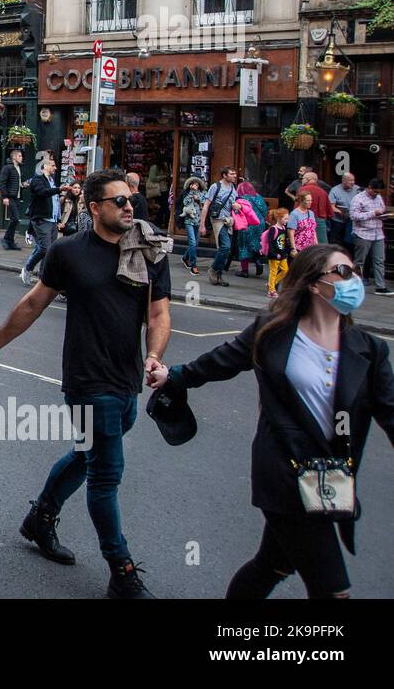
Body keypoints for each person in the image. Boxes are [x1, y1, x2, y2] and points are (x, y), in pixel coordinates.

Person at [148, 244, 394, 598]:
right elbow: (223, 361)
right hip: (284, 472)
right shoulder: (274, 331)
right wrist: (173, 375)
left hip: (330, 477)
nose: (353, 279)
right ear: (313, 283)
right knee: (333, 591)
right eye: (342, 272)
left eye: (355, 272)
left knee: (272, 564)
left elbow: (389, 411)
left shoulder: (369, 349)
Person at [0, 168, 172, 598]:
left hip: (127, 380)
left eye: (131, 199)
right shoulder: (68, 252)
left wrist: (155, 357)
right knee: (106, 475)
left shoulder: (148, 250)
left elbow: (158, 313)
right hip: (87, 380)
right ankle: (121, 571)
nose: (128, 206)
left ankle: (40, 518)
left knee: (87, 456)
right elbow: (34, 303)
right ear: (94, 207)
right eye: (118, 200)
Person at [21, 158, 59, 287]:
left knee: (50, 250)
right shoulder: (38, 180)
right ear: (45, 166)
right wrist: (59, 189)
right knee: (44, 248)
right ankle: (27, 268)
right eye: (53, 165)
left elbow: (54, 201)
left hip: (53, 220)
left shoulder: (52, 181)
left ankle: (43, 277)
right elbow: (42, 193)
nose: (55, 168)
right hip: (42, 219)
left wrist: (58, 218)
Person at [349, 178, 391, 295]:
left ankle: (380, 287)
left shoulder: (378, 198)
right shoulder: (358, 198)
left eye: (379, 192)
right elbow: (353, 216)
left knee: (379, 260)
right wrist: (373, 213)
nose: (377, 194)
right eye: (375, 191)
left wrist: (383, 214)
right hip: (362, 233)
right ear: (369, 187)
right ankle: (354, 286)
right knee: (360, 262)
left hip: (378, 233)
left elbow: (381, 209)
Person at [200, 165, 239, 287]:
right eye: (231, 174)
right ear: (224, 175)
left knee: (225, 250)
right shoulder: (215, 187)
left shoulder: (233, 188)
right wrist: (202, 225)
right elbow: (206, 205)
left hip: (229, 221)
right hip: (218, 220)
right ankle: (213, 269)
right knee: (226, 247)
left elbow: (234, 204)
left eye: (234, 174)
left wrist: (237, 206)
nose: (234, 176)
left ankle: (219, 275)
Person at [235, 181, 268, 279]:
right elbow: (265, 211)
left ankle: (244, 271)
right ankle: (258, 262)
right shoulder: (258, 197)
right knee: (257, 244)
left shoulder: (240, 199)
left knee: (244, 246)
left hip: (247, 224)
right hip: (259, 224)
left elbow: (237, 212)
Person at [261, 207, 292, 298]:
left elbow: (284, 241)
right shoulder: (273, 229)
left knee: (285, 270)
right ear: (279, 218)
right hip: (274, 255)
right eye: (285, 218)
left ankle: (271, 284)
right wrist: (274, 254)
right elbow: (271, 243)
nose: (287, 220)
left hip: (282, 255)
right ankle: (271, 291)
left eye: (287, 218)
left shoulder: (283, 228)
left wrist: (285, 252)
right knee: (273, 272)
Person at [178, 177, 206, 275]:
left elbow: (205, 204)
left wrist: (198, 199)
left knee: (195, 244)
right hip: (189, 221)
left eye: (197, 184)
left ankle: (185, 258)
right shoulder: (187, 193)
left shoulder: (203, 193)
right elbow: (185, 203)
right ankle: (193, 266)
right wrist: (191, 193)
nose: (195, 186)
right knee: (193, 243)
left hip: (199, 222)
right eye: (193, 184)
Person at [296, 172, 332, 245]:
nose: (302, 181)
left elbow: (296, 208)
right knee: (322, 248)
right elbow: (330, 212)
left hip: (303, 221)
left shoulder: (302, 190)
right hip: (320, 223)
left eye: (303, 179)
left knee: (304, 245)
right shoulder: (323, 192)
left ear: (308, 179)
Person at [0, 149, 24, 250]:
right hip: (10, 197)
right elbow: (2, 183)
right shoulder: (7, 168)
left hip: (17, 197)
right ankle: (6, 238)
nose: (21, 157)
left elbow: (16, 182)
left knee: (15, 219)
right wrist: (5, 197)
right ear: (14, 157)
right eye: (20, 156)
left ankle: (10, 241)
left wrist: (23, 185)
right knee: (16, 218)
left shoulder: (18, 167)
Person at [328, 172, 360, 251]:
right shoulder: (335, 190)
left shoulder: (357, 189)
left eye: (353, 180)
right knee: (336, 242)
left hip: (353, 221)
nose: (353, 182)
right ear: (343, 181)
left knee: (350, 243)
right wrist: (340, 212)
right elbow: (331, 206)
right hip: (338, 221)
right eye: (350, 180)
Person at [288, 191, 319, 255]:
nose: (310, 202)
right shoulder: (294, 214)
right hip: (299, 249)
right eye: (308, 200)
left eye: (311, 200)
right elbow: (290, 232)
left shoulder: (311, 213)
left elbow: (313, 230)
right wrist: (293, 249)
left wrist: (316, 245)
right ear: (301, 201)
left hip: (310, 248)